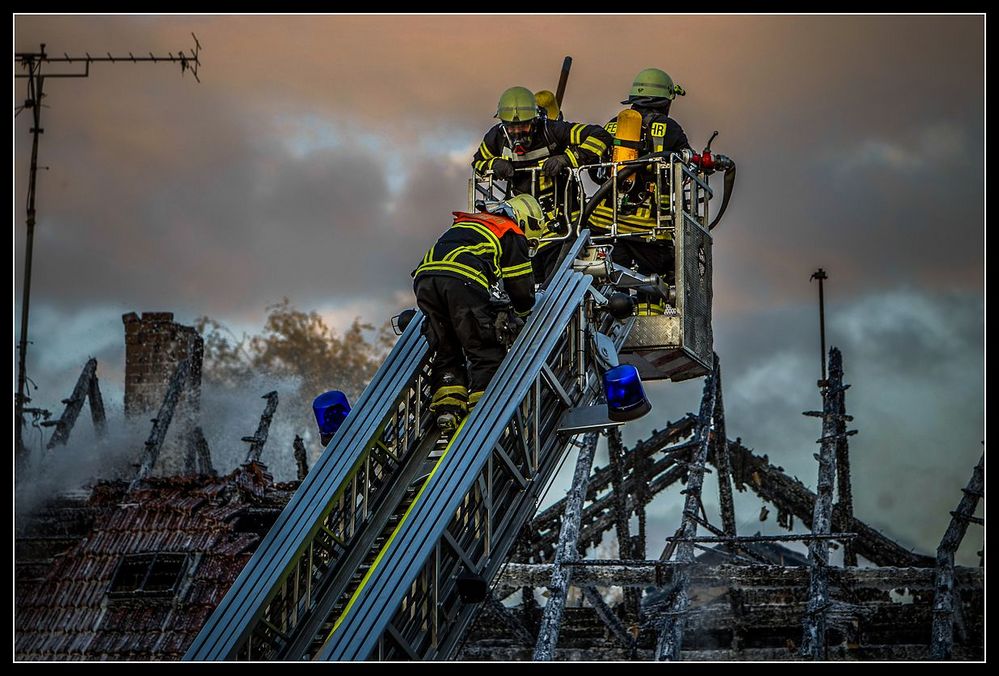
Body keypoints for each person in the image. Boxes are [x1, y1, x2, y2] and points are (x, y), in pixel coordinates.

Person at [412, 194, 550, 433]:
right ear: (526, 221)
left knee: (447, 345)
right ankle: (484, 406)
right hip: (462, 280)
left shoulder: (472, 223)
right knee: (482, 343)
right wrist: (523, 313)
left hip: (426, 280)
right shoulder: (509, 231)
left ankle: (448, 405)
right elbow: (519, 286)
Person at [473, 86, 612, 282]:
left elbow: (600, 136)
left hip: (561, 228)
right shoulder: (496, 136)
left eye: (523, 126)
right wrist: (493, 164)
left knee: (556, 284)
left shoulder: (552, 130)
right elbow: (478, 162)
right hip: (523, 233)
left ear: (535, 119)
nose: (517, 133)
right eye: (512, 128)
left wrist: (567, 159)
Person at [589, 68, 692, 315]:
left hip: (605, 224)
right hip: (650, 228)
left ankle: (612, 321)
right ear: (665, 101)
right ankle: (646, 318)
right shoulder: (670, 129)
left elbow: (596, 172)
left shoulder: (613, 126)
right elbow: (685, 170)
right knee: (651, 282)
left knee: (611, 277)